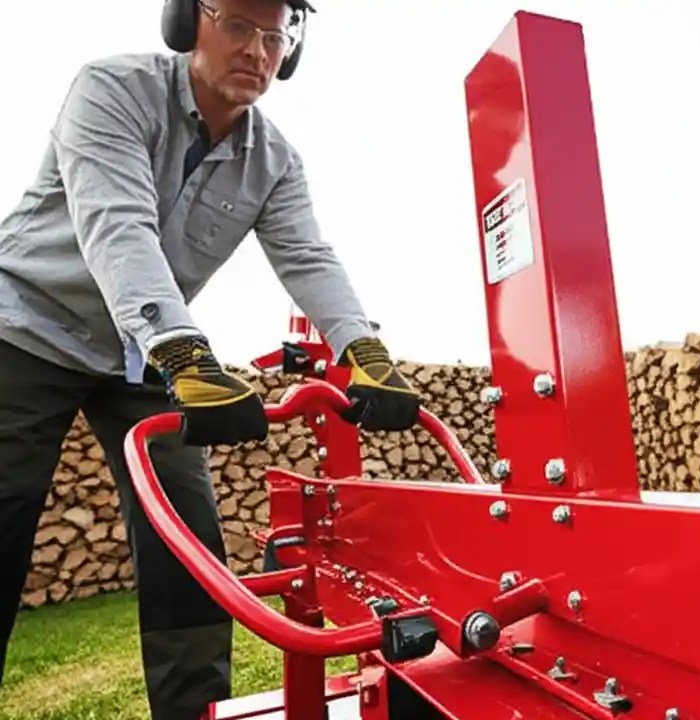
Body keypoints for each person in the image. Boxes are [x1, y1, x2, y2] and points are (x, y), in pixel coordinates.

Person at [0, 0, 420, 716]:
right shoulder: (110, 90)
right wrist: (187, 354)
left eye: (274, 34)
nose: (257, 48)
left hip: (141, 358)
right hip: (28, 329)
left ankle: (195, 708)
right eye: (237, 25)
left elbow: (309, 257)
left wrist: (365, 349)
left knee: (186, 531)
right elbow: (118, 226)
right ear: (187, 21)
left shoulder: (275, 160)